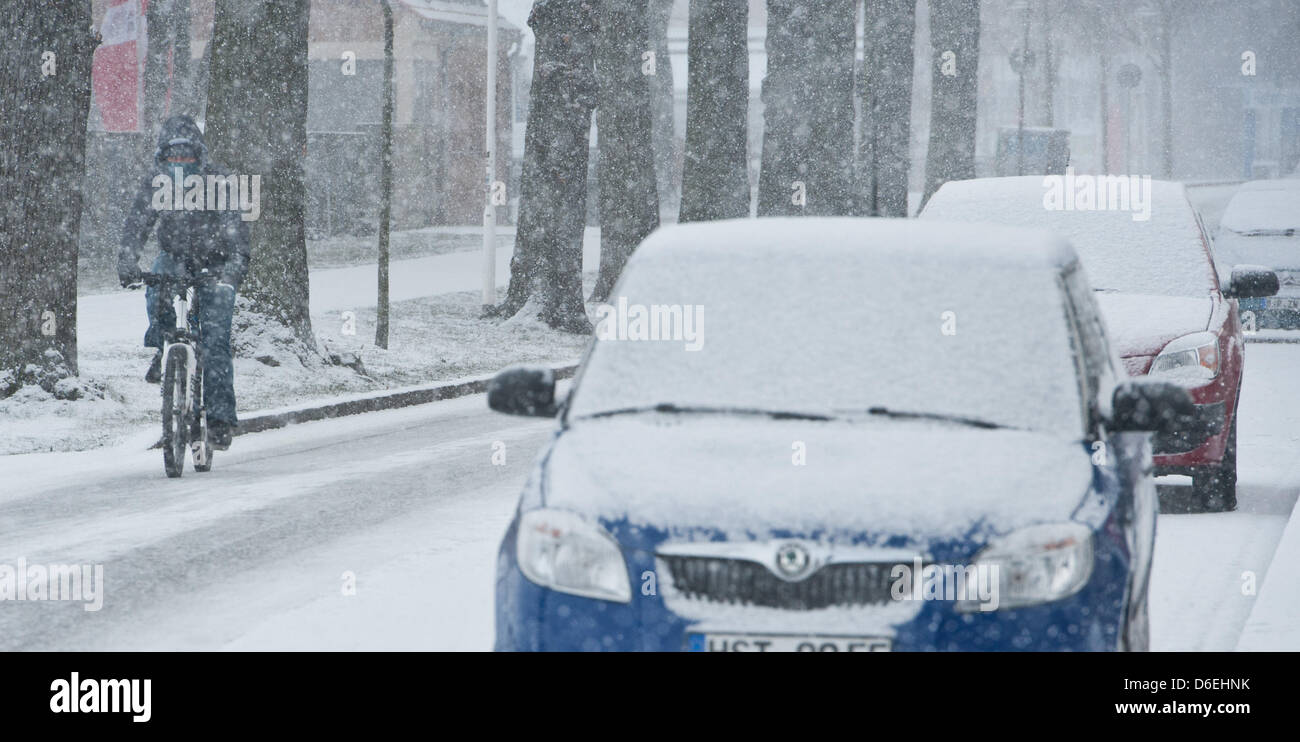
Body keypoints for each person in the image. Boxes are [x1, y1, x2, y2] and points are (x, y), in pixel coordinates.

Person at [117, 115, 250, 450]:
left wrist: (233, 268)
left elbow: (236, 228)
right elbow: (137, 223)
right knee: (154, 292)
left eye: (186, 154)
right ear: (163, 155)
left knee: (215, 338)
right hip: (173, 254)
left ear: (198, 153)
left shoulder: (219, 180)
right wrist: (128, 259)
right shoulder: (156, 182)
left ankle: (220, 419)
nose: (180, 161)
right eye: (173, 155)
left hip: (216, 261)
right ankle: (163, 346)